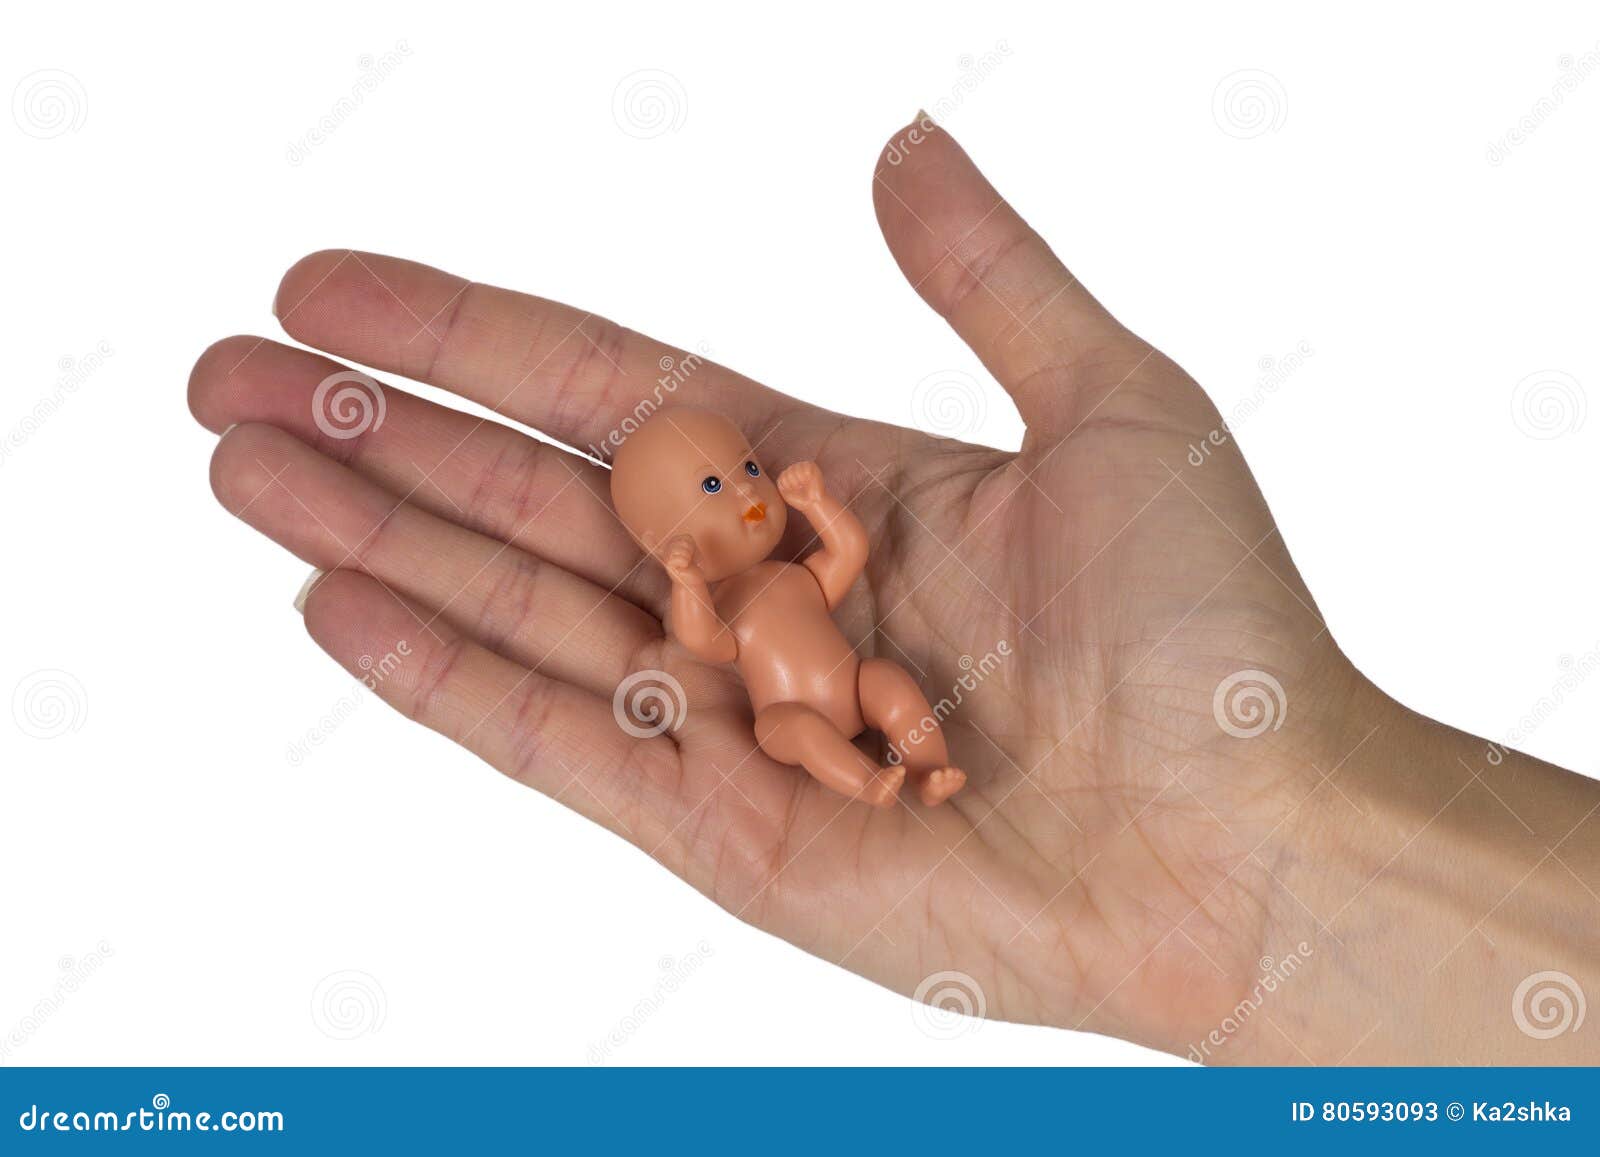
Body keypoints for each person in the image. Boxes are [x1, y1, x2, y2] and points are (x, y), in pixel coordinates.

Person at [188, 114, 1598, 1065]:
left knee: (892, 693)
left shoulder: (794, 558)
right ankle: (875, 786)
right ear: (666, 535)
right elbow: (701, 648)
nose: (747, 495)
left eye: (745, 469)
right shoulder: (720, 607)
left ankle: (913, 765)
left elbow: (849, 569)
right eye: (711, 500)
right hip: (795, 717)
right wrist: (685, 587)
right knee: (811, 733)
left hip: (850, 678)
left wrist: (811, 510)